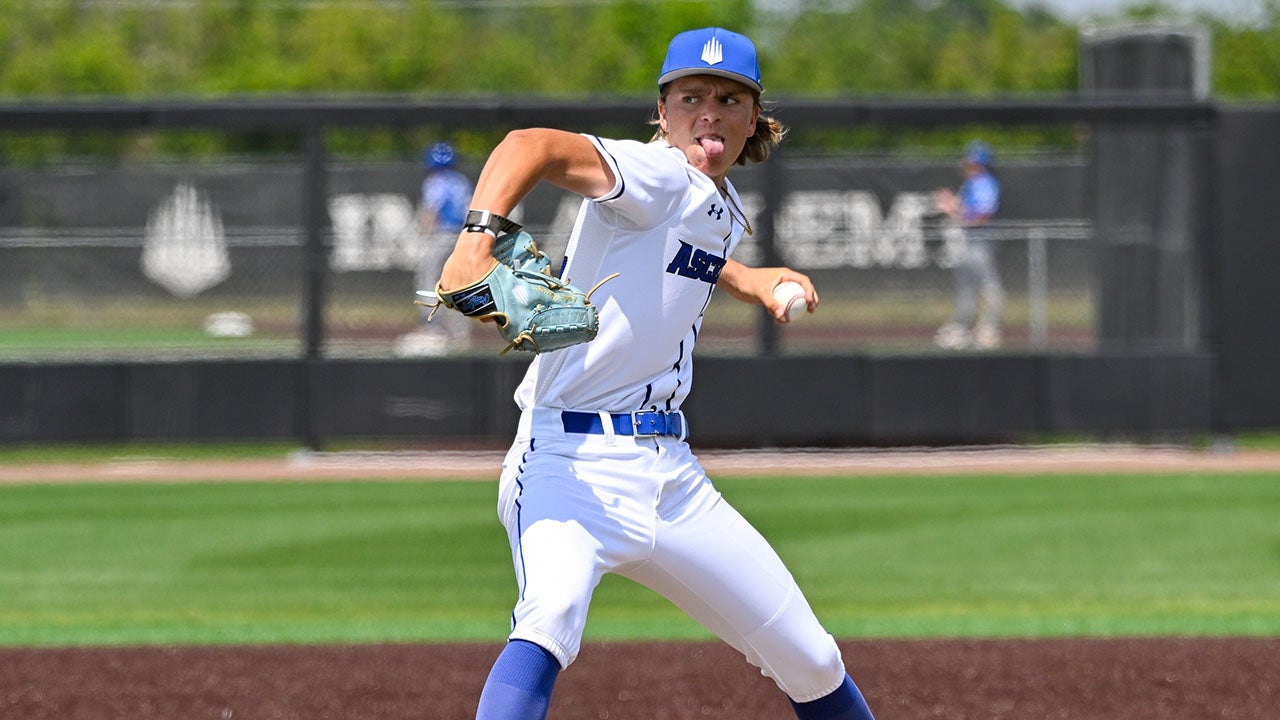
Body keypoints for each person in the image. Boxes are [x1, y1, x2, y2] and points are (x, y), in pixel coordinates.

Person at [436, 27, 876, 720]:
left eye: (729, 99)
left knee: (812, 658)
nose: (709, 114)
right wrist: (475, 241)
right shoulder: (653, 172)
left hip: (671, 478)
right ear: (662, 113)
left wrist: (748, 279)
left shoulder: (717, 204)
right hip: (568, 464)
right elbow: (530, 144)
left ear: (754, 120)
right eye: (691, 97)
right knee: (549, 618)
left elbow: (685, 251)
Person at [395, 141, 474, 356]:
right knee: (456, 284)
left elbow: (431, 211)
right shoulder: (462, 182)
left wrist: (423, 234)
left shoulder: (435, 181)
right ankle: (459, 333)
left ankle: (431, 326)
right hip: (461, 237)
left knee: (428, 279)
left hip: (440, 235)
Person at [933, 140, 1004, 350]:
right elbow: (965, 212)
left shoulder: (985, 183)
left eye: (970, 162)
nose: (966, 166)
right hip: (966, 242)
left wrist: (957, 211)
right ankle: (962, 329)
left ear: (979, 164)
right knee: (967, 289)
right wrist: (952, 206)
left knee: (990, 288)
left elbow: (983, 215)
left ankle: (989, 329)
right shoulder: (971, 184)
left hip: (979, 242)